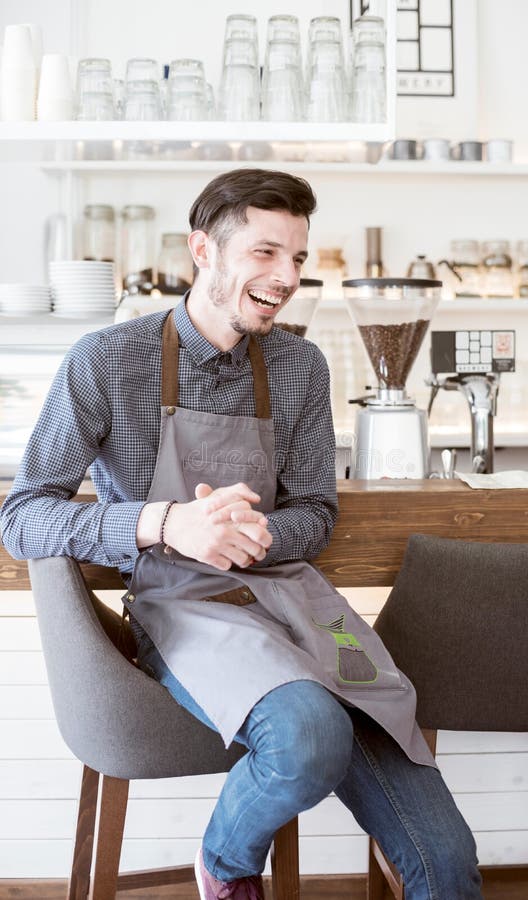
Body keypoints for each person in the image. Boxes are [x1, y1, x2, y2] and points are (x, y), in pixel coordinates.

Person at [1, 169, 483, 900]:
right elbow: (23, 513)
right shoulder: (106, 361)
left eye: (296, 257)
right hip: (181, 605)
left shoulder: (299, 367)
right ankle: (226, 867)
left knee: (447, 862)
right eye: (264, 253)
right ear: (204, 250)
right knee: (310, 736)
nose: (286, 276)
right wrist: (168, 523)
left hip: (300, 603)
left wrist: (252, 531)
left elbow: (315, 512)